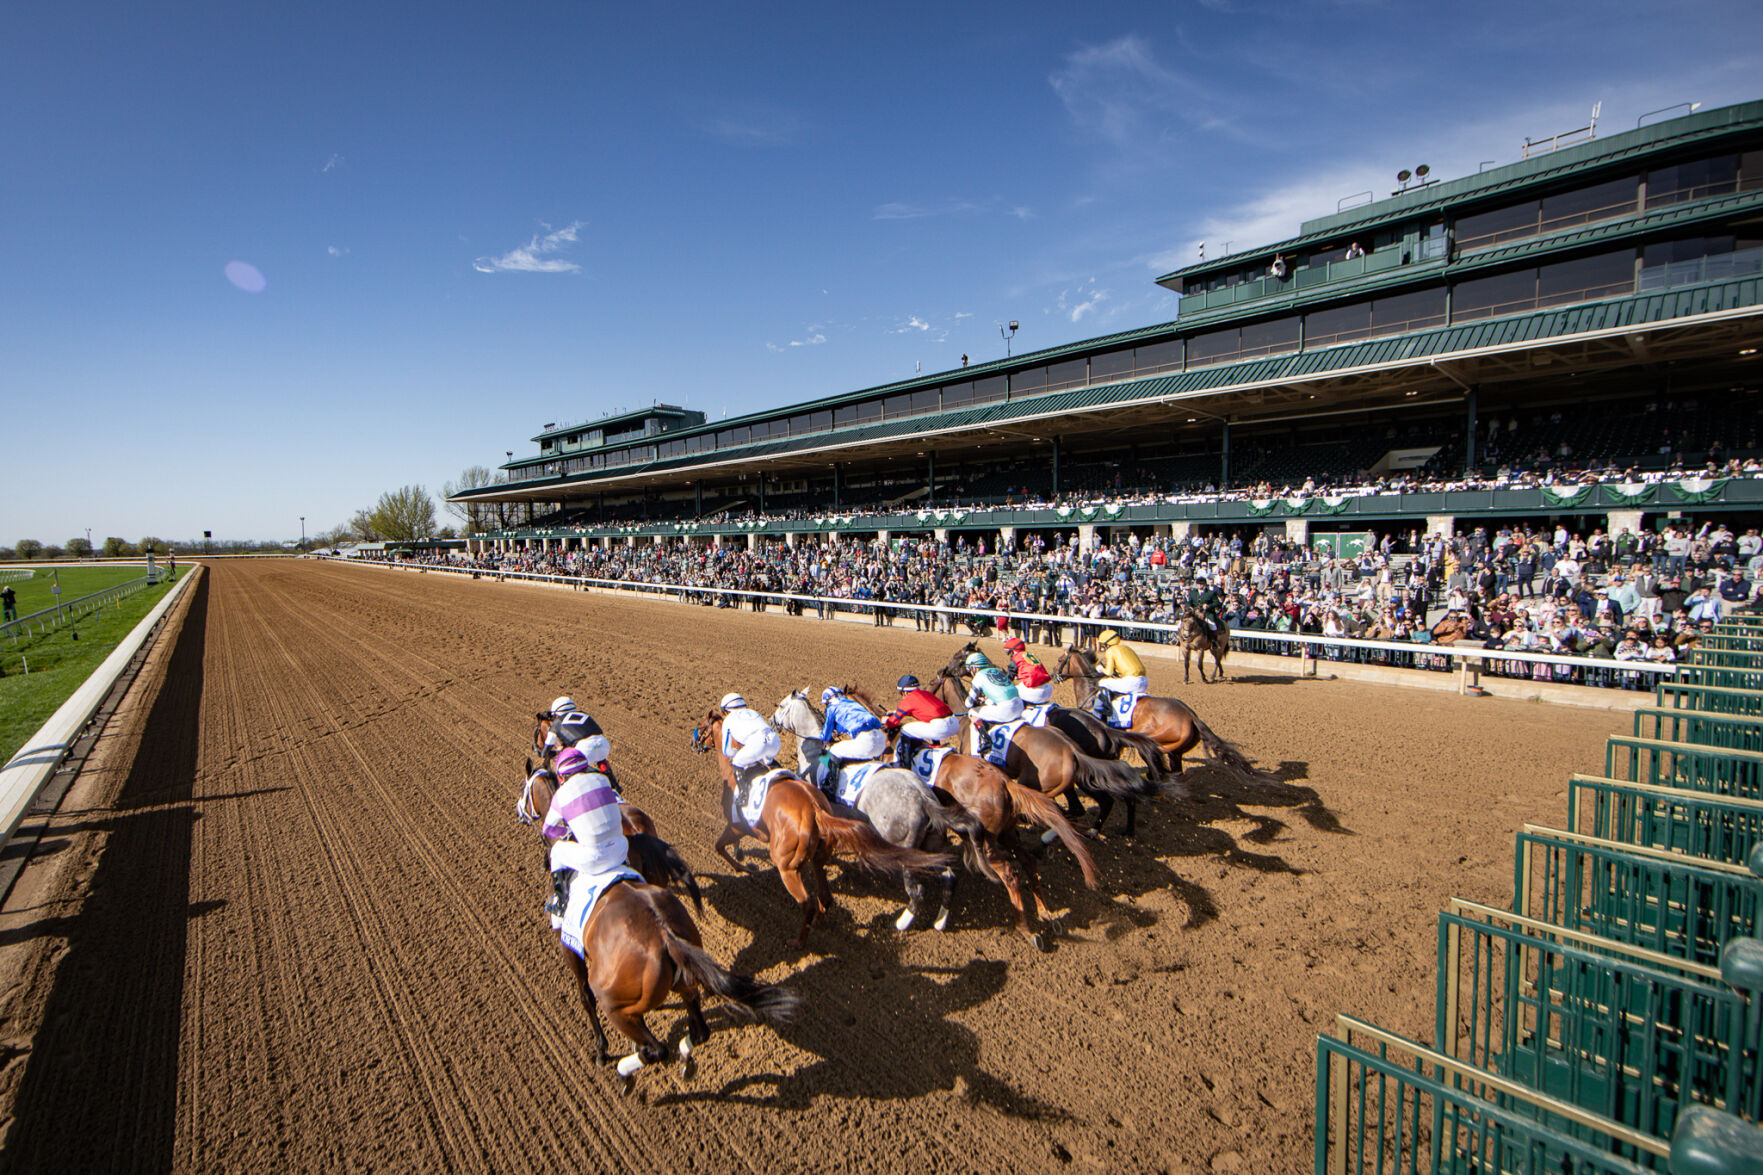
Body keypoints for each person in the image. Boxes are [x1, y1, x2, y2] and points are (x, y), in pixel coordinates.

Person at [540, 741, 633, 943]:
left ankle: (561, 901)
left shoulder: (561, 794)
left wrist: (568, 830)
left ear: (562, 776)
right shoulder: (603, 780)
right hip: (621, 850)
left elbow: (548, 829)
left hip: (594, 860)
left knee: (556, 851)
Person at [815, 686, 887, 798]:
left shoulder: (831, 708)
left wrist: (822, 741)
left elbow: (826, 733)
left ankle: (829, 788)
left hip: (867, 741)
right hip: (881, 740)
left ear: (828, 701)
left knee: (834, 750)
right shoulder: (852, 703)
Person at [718, 693, 783, 811]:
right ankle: (783, 775)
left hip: (757, 744)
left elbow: (727, 751)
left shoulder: (728, 720)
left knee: (737, 761)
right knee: (768, 760)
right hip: (775, 741)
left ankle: (744, 794)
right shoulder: (753, 712)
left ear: (726, 711)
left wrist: (738, 752)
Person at [884, 674, 959, 766]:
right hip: (954, 723)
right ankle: (936, 745)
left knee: (906, 729)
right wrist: (896, 711)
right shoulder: (926, 693)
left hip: (941, 727)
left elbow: (892, 723)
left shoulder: (908, 699)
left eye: (901, 693)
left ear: (905, 692)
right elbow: (923, 711)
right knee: (929, 722)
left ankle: (905, 764)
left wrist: (885, 721)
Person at [963, 652, 1023, 758]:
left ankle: (979, 750)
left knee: (972, 713)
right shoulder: (996, 671)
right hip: (1020, 705)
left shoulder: (978, 676)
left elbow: (969, 703)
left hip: (1007, 709)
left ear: (974, 668)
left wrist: (972, 702)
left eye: (970, 669)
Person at [1092, 629, 1148, 727]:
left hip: (1131, 682)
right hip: (1144, 682)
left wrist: (1100, 669)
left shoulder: (1110, 651)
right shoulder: (1127, 648)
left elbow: (1108, 672)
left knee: (1103, 683)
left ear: (1107, 643)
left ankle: (1099, 713)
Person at [1001, 636, 1055, 706]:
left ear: (1014, 650)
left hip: (1036, 692)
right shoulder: (1030, 655)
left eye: (1011, 652)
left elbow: (1008, 680)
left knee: (1010, 692)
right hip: (1049, 689)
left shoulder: (1016, 659)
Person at [1187, 572, 1226, 641]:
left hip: (1207, 613)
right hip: (1194, 613)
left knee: (1212, 625)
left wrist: (1209, 606)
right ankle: (1179, 638)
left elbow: (1217, 602)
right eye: (1198, 584)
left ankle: (1214, 641)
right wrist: (1190, 607)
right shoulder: (1193, 592)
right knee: (1182, 622)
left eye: (1201, 584)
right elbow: (1189, 602)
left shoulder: (1210, 593)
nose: (1200, 585)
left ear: (1205, 585)